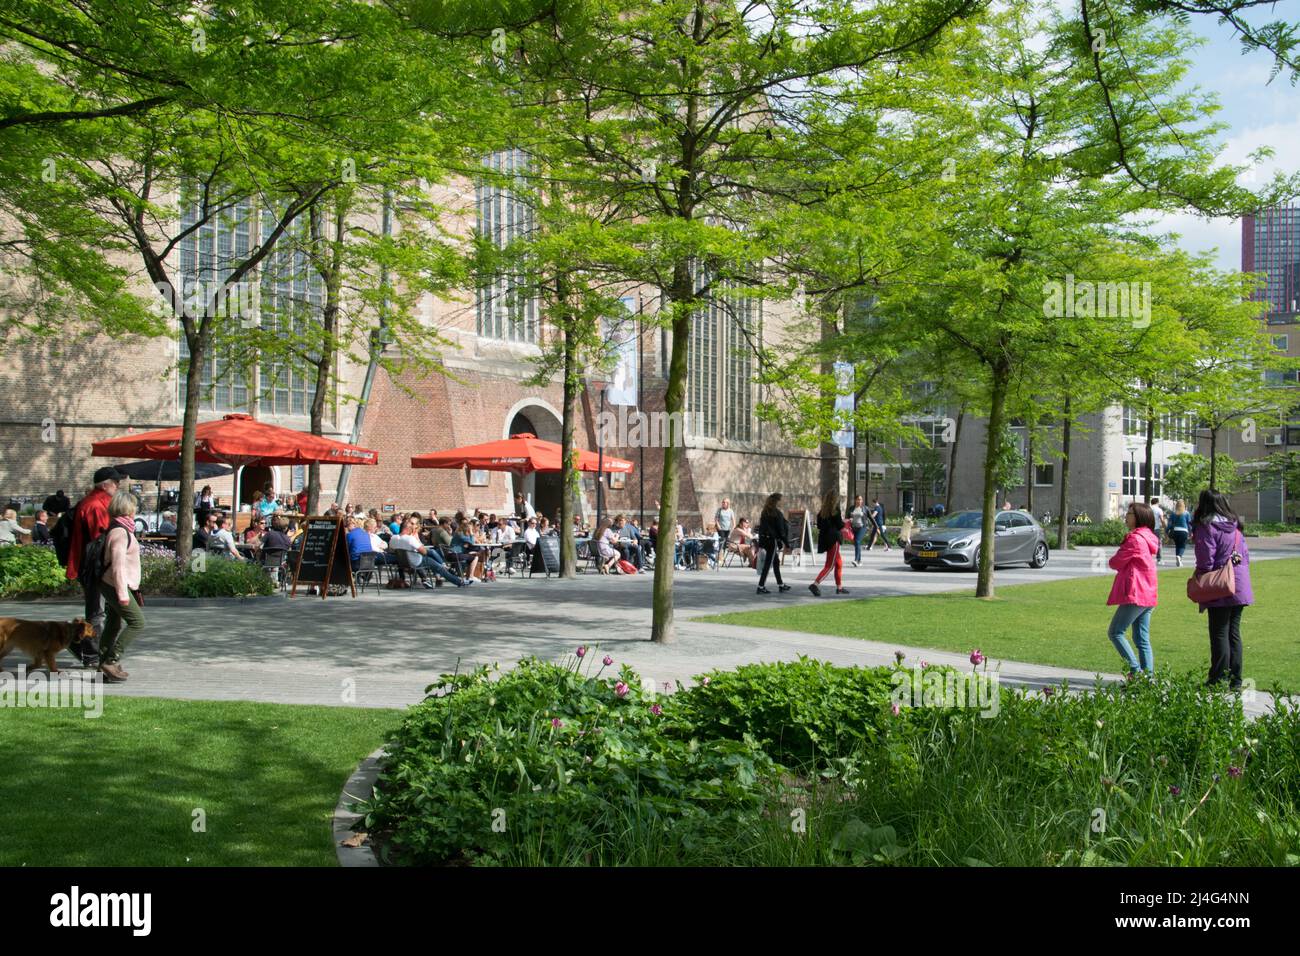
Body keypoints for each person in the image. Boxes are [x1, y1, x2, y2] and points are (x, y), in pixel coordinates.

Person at [1192, 490, 1253, 690]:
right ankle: (1235, 680)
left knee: (1219, 632)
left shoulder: (1207, 527)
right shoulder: (1235, 527)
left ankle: (1217, 679)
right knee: (1233, 633)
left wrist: (1200, 577)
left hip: (1220, 585)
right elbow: (1244, 556)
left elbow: (1205, 561)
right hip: (1240, 584)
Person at [66, 466, 123, 667]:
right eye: (116, 483)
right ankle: (88, 652)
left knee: (100, 610)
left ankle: (85, 648)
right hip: (94, 567)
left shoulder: (96, 502)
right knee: (97, 612)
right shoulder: (96, 505)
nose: (118, 486)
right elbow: (101, 538)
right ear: (106, 484)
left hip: (95, 566)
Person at [1105, 501, 1160, 677]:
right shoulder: (1148, 537)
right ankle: (1148, 678)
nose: (1126, 516)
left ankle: (1136, 673)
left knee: (1115, 632)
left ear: (1138, 517)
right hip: (1148, 593)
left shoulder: (1135, 539)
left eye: (1129, 514)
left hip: (1137, 593)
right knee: (1141, 638)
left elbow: (1115, 562)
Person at [97, 491, 145, 683]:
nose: (135, 510)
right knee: (137, 622)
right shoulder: (119, 531)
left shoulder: (123, 528)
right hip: (115, 584)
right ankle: (111, 660)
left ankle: (103, 666)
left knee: (113, 623)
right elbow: (117, 565)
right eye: (134, 506)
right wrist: (122, 593)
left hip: (116, 584)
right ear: (128, 508)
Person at [389, 516, 471, 588]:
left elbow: (391, 550)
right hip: (416, 562)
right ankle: (459, 581)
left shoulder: (394, 538)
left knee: (434, 557)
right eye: (411, 529)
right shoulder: (410, 539)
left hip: (402, 563)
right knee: (439, 568)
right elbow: (424, 551)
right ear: (407, 529)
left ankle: (428, 577)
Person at [810, 489, 848, 597]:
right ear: (835, 499)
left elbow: (819, 526)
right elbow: (840, 525)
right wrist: (845, 523)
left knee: (839, 563)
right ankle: (815, 584)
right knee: (830, 566)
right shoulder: (835, 510)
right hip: (833, 540)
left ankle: (839, 587)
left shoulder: (822, 511)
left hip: (825, 539)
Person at [756, 493, 791, 595]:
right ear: (777, 502)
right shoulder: (777, 513)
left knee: (775, 562)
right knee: (768, 563)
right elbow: (781, 531)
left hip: (764, 539)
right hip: (771, 541)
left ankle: (781, 585)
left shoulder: (765, 512)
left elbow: (762, 528)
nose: (783, 502)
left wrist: (761, 542)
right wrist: (787, 545)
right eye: (781, 500)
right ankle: (761, 586)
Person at [1166, 499, 1192, 567]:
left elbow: (1170, 524)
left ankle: (1178, 560)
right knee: (1182, 545)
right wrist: (1191, 532)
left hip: (1175, 531)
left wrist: (1167, 531)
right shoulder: (1186, 513)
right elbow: (1189, 524)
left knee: (1177, 545)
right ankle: (1179, 556)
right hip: (1184, 531)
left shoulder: (1173, 513)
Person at [848, 494, 869, 566]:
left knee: (857, 541)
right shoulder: (851, 508)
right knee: (857, 543)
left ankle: (856, 560)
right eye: (858, 499)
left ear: (862, 501)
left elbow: (871, 518)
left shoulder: (865, 508)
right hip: (853, 528)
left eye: (860, 499)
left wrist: (877, 527)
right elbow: (847, 517)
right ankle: (859, 561)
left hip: (862, 527)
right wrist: (849, 519)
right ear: (855, 500)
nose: (859, 501)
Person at [1150, 499, 1166, 565]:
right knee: (1158, 543)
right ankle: (1159, 559)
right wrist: (1165, 526)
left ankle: (1149, 558)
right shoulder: (1159, 510)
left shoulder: (1148, 508)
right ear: (1157, 502)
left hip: (1149, 528)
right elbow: (1162, 520)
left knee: (1148, 543)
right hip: (1156, 528)